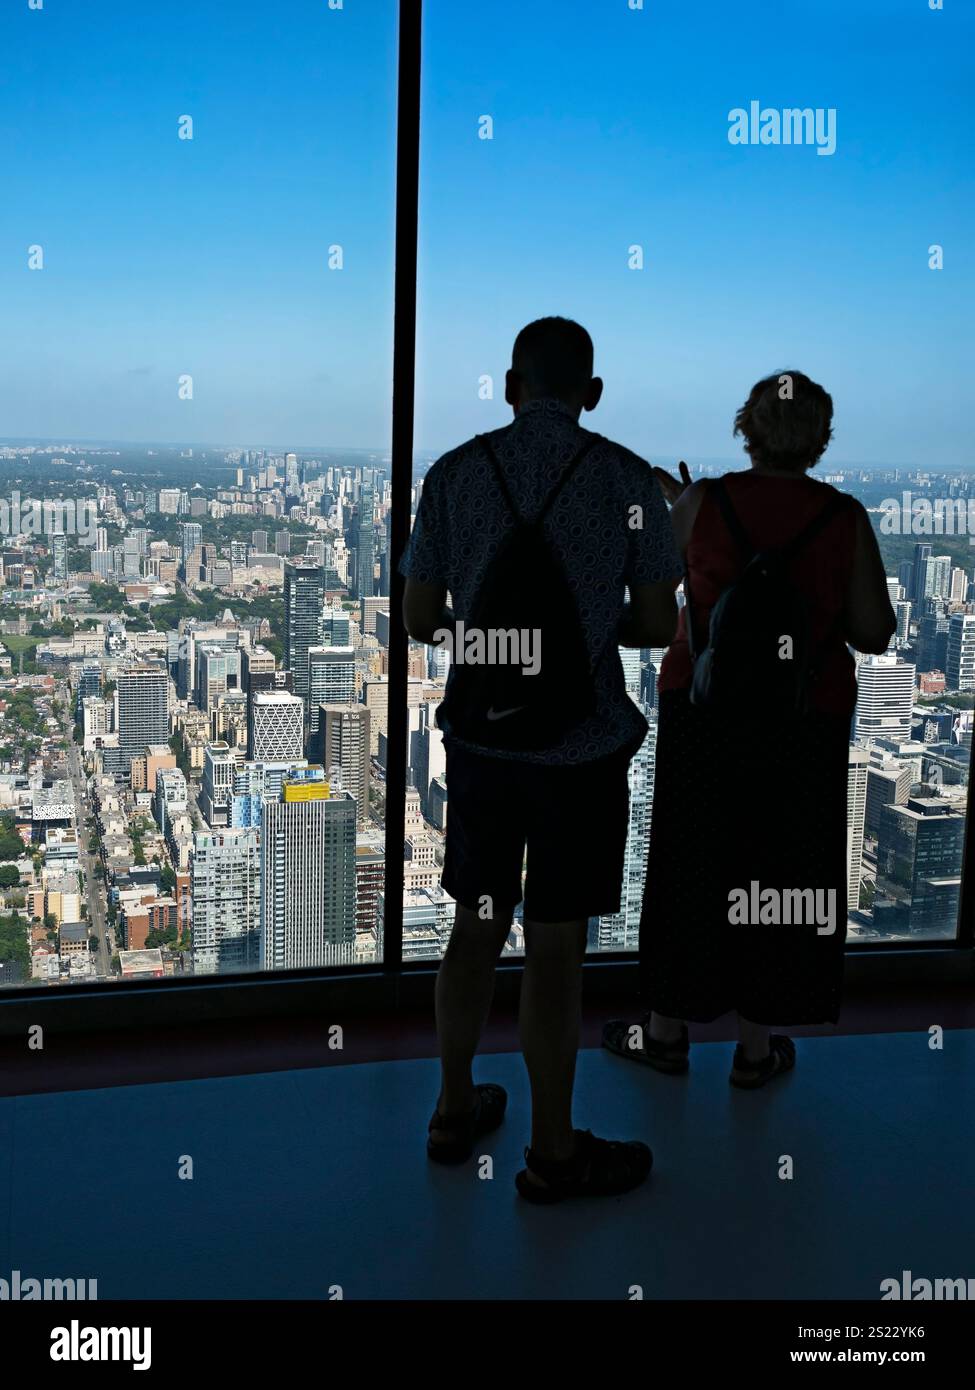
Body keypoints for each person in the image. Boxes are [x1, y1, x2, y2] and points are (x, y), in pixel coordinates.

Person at [401, 317, 681, 1202]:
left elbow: (417, 617)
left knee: (475, 927)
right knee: (556, 949)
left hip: (482, 747)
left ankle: (453, 1107)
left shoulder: (454, 473)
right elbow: (652, 624)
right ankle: (554, 1150)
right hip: (580, 752)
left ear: (509, 385)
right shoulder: (629, 482)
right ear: (591, 393)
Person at [603, 371, 896, 1086]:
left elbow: (650, 587)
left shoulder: (706, 501)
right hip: (801, 724)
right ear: (820, 439)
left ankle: (666, 1032)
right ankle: (755, 1049)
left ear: (747, 428)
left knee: (690, 864)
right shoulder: (842, 518)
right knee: (775, 874)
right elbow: (875, 632)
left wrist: (689, 512)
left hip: (703, 714)